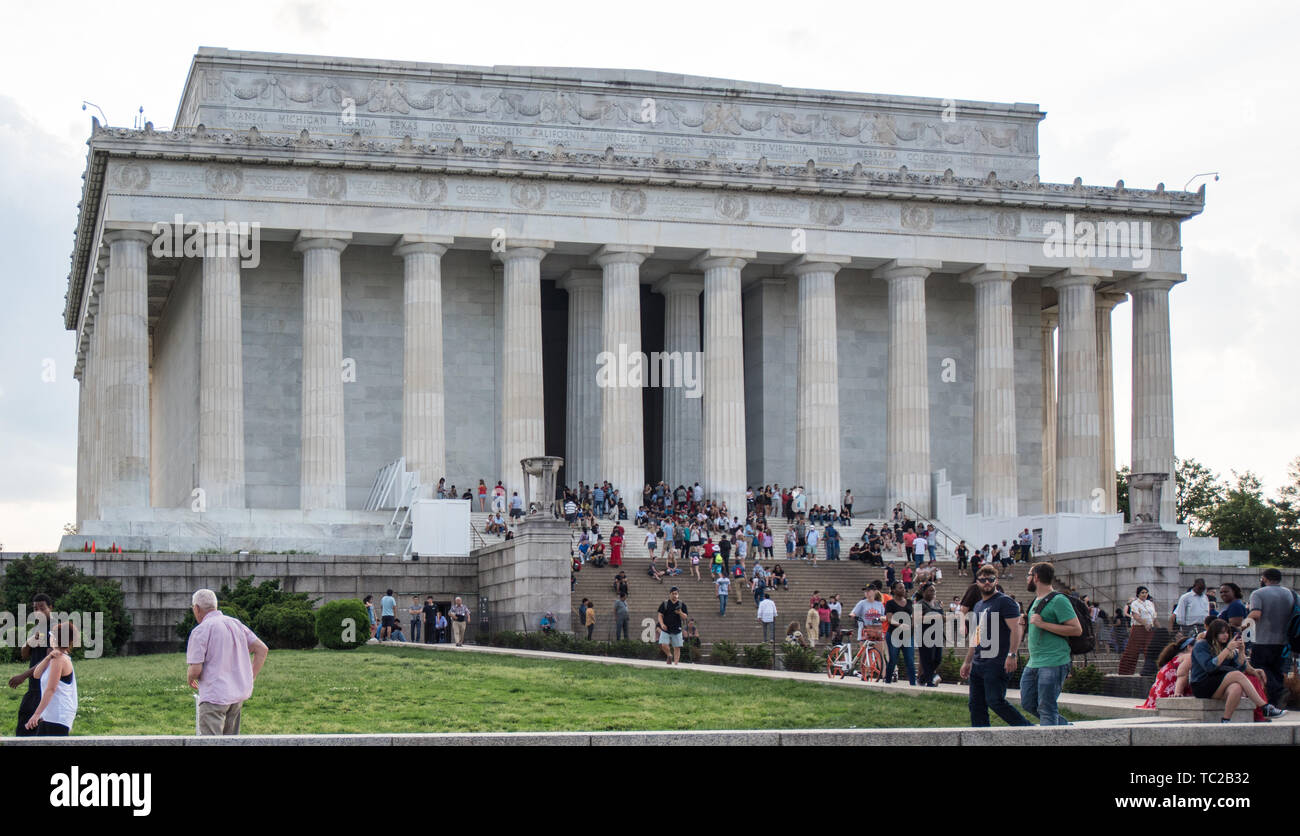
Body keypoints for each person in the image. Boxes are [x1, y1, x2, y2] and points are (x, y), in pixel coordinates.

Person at [186, 589, 269, 736]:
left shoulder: (201, 630)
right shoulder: (236, 624)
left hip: (214, 697)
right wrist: (251, 676)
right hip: (236, 697)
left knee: (211, 742)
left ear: (197, 608)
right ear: (215, 606)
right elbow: (262, 649)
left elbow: (195, 670)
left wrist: (190, 677)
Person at [960, 565, 1030, 727]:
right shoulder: (978, 606)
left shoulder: (1005, 602)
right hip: (978, 663)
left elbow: (1016, 629)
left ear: (996, 581)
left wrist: (1012, 655)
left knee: (995, 701)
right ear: (977, 582)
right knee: (976, 706)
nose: (987, 583)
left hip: (997, 662)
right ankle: (981, 738)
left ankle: (1028, 730)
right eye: (983, 580)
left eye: (991, 579)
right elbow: (976, 636)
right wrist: (968, 661)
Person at [1019, 563, 1081, 726]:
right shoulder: (1036, 601)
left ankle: (1052, 737)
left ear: (1036, 577)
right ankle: (1064, 728)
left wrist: (1043, 624)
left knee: (1047, 707)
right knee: (1028, 703)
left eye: (1029, 575)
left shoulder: (1059, 600)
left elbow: (1076, 629)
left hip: (1054, 661)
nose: (1027, 579)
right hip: (1034, 662)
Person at [1190, 619, 1285, 721]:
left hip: (1217, 685)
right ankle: (1265, 707)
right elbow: (1209, 667)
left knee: (1236, 688)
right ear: (1214, 633)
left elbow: (1239, 668)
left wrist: (1241, 652)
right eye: (1222, 633)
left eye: (1227, 632)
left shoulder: (1227, 647)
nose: (1225, 635)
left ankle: (1226, 720)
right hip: (1201, 684)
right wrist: (1227, 650)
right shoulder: (1202, 645)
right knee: (1236, 675)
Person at [1246, 568, 1295, 709]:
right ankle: (1275, 703)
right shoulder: (1289, 594)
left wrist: (1244, 624)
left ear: (1264, 578)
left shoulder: (1258, 593)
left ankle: (1279, 692)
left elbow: (1256, 614)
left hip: (1263, 640)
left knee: (1260, 668)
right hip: (1283, 641)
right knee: (1277, 671)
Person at [23, 620, 79, 736]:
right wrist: (48, 657)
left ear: (54, 639)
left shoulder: (59, 659)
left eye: (51, 636)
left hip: (58, 716)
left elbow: (51, 689)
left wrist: (36, 714)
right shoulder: (54, 657)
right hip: (50, 716)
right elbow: (36, 675)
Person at [8, 593, 52, 736]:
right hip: (34, 688)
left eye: (42, 608)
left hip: (46, 689)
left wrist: (23, 676)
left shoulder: (56, 629)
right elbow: (24, 654)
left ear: (50, 608)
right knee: (23, 731)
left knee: (37, 733)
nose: (38, 612)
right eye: (35, 609)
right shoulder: (38, 628)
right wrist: (30, 641)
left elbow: (49, 660)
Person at [1137, 638, 1195, 710]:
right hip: (1169, 695)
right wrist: (1178, 694)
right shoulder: (1188, 656)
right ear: (1189, 647)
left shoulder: (1175, 657)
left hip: (1154, 699)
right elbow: (1182, 675)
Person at [1119, 586, 1157, 675]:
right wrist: (1145, 624)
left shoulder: (1150, 603)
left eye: (1146, 592)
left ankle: (1150, 671)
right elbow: (1136, 616)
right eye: (1142, 593)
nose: (1144, 594)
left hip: (1150, 629)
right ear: (1138, 594)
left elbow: (1154, 616)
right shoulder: (1135, 603)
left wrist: (1157, 627)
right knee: (1132, 650)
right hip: (1138, 629)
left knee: (1149, 649)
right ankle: (1125, 672)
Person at [884, 583, 916, 685]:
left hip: (907, 635)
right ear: (894, 590)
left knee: (910, 660)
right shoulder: (890, 603)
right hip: (894, 634)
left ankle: (913, 684)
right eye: (900, 588)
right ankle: (888, 681)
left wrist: (912, 625)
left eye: (904, 587)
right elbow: (889, 619)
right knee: (893, 660)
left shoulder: (910, 602)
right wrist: (900, 625)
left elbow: (914, 617)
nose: (903, 589)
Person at [657, 587, 689, 665]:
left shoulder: (682, 604)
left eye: (676, 594)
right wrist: (662, 624)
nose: (675, 595)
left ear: (678, 594)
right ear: (670, 594)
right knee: (663, 644)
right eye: (673, 594)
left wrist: (680, 612)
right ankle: (669, 655)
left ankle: (676, 664)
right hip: (666, 628)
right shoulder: (665, 603)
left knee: (677, 647)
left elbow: (685, 617)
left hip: (677, 628)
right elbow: (660, 615)